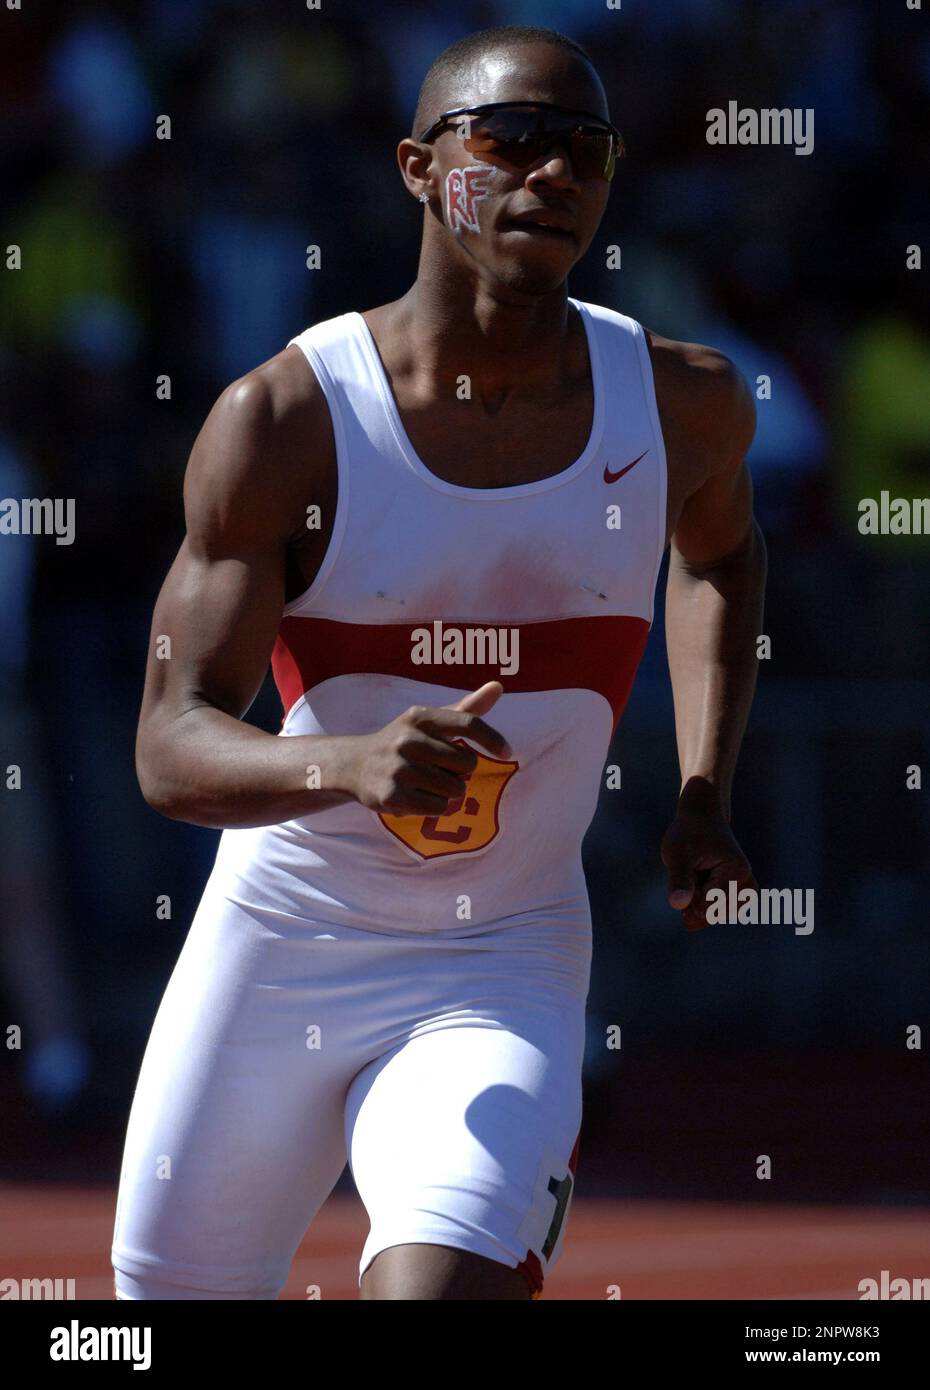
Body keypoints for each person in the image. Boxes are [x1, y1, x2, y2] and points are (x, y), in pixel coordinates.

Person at [111, 24, 766, 1301]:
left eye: (586, 149)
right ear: (420, 167)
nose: (553, 174)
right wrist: (351, 764)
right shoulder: (290, 422)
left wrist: (703, 787)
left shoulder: (683, 404)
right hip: (280, 944)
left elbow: (723, 558)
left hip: (502, 958)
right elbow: (168, 741)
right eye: (511, 138)